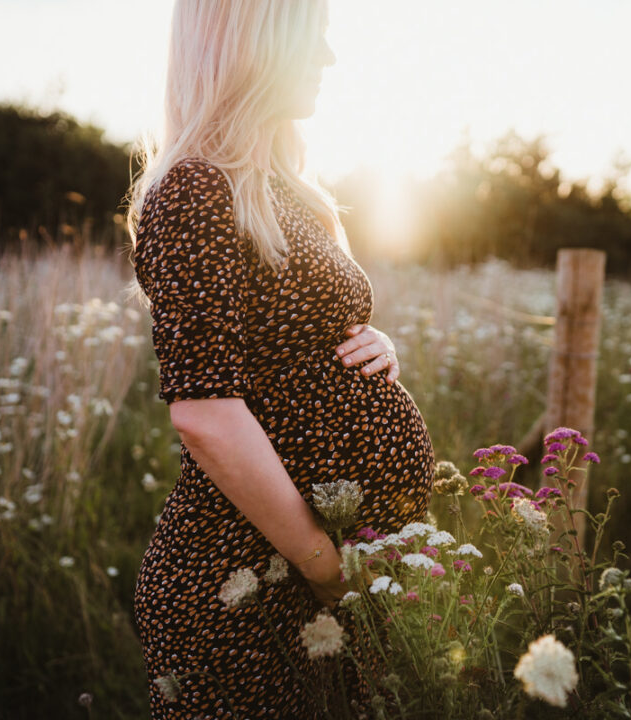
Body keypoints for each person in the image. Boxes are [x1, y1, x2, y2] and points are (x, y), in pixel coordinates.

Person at [124, 1, 436, 718]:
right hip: (246, 578)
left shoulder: (286, 188)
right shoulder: (197, 189)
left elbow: (297, 339)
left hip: (309, 568)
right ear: (254, 46)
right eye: (312, 39)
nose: (327, 59)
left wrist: (374, 346)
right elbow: (205, 414)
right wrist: (329, 571)